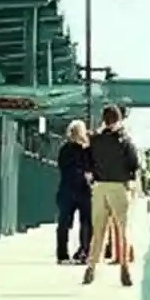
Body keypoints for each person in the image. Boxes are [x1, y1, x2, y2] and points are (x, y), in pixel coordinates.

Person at [83, 104, 140, 286]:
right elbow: (134, 163)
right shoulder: (124, 139)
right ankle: (124, 267)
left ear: (104, 120)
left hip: (99, 188)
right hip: (118, 188)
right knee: (123, 230)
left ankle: (91, 267)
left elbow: (87, 161)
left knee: (98, 231)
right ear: (119, 120)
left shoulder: (96, 140)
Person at [56, 120, 93, 264]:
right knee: (86, 222)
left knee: (64, 223)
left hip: (66, 190)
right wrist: (86, 175)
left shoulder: (64, 149)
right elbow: (90, 168)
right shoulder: (86, 151)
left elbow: (64, 168)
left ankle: (62, 254)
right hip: (83, 190)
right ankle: (84, 251)